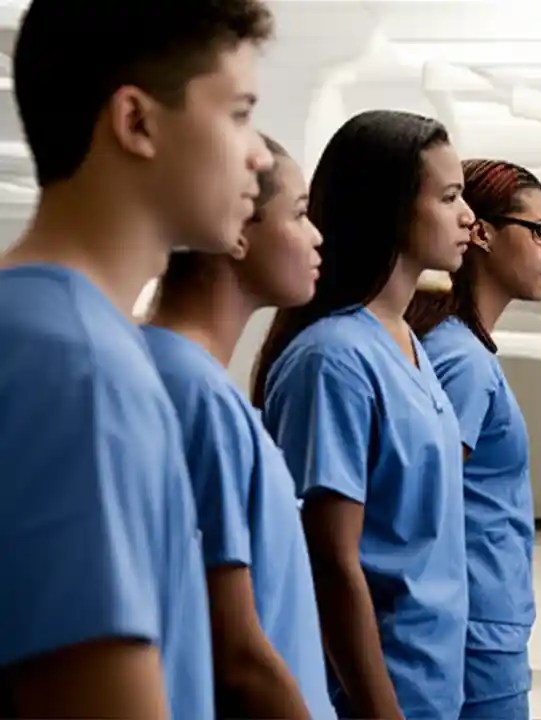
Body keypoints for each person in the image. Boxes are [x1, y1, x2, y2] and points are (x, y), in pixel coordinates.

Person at [0, 2, 274, 718]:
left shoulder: (53, 331)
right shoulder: (77, 365)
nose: (262, 155)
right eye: (239, 113)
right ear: (137, 122)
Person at [254, 110, 476, 720]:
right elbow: (330, 560)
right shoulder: (334, 359)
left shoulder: (402, 339)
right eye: (451, 197)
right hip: (377, 692)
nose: (468, 217)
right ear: (391, 206)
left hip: (432, 677)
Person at [143, 134, 333, 719]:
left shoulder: (176, 374)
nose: (316, 237)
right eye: (300, 215)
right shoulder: (196, 395)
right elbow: (240, 656)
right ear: (237, 229)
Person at [406, 159, 541, 719]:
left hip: (480, 618)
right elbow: (425, 509)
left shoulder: (457, 346)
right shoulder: (462, 360)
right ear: (482, 232)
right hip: (473, 627)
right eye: (539, 230)